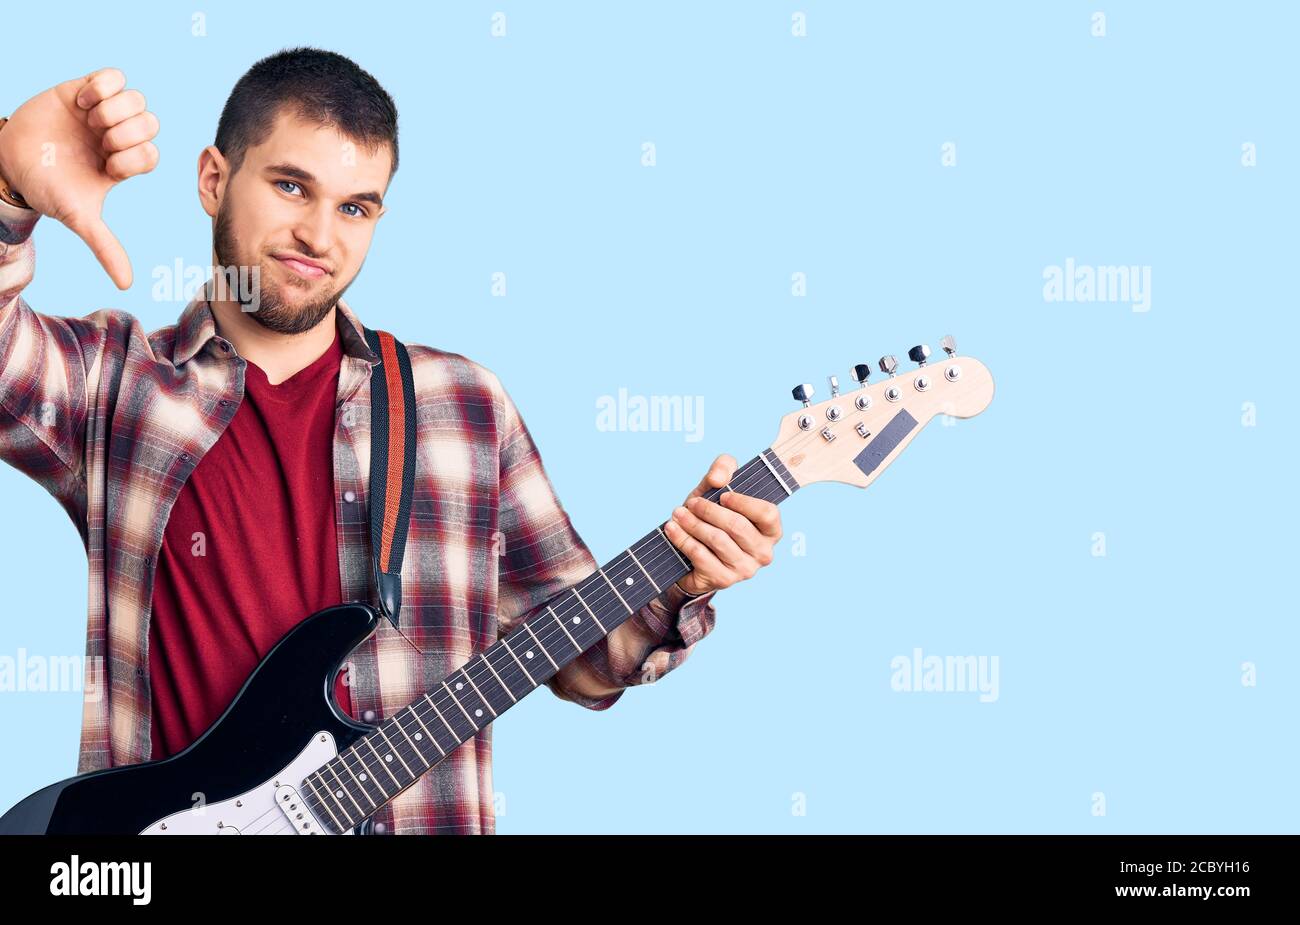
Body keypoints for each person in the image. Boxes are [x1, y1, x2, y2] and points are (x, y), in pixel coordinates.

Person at [0, 48, 782, 834]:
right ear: (213, 180)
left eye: (355, 207)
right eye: (290, 185)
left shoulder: (465, 406)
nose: (317, 234)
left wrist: (683, 580)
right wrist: (7, 191)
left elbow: (585, 659)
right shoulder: (117, 383)